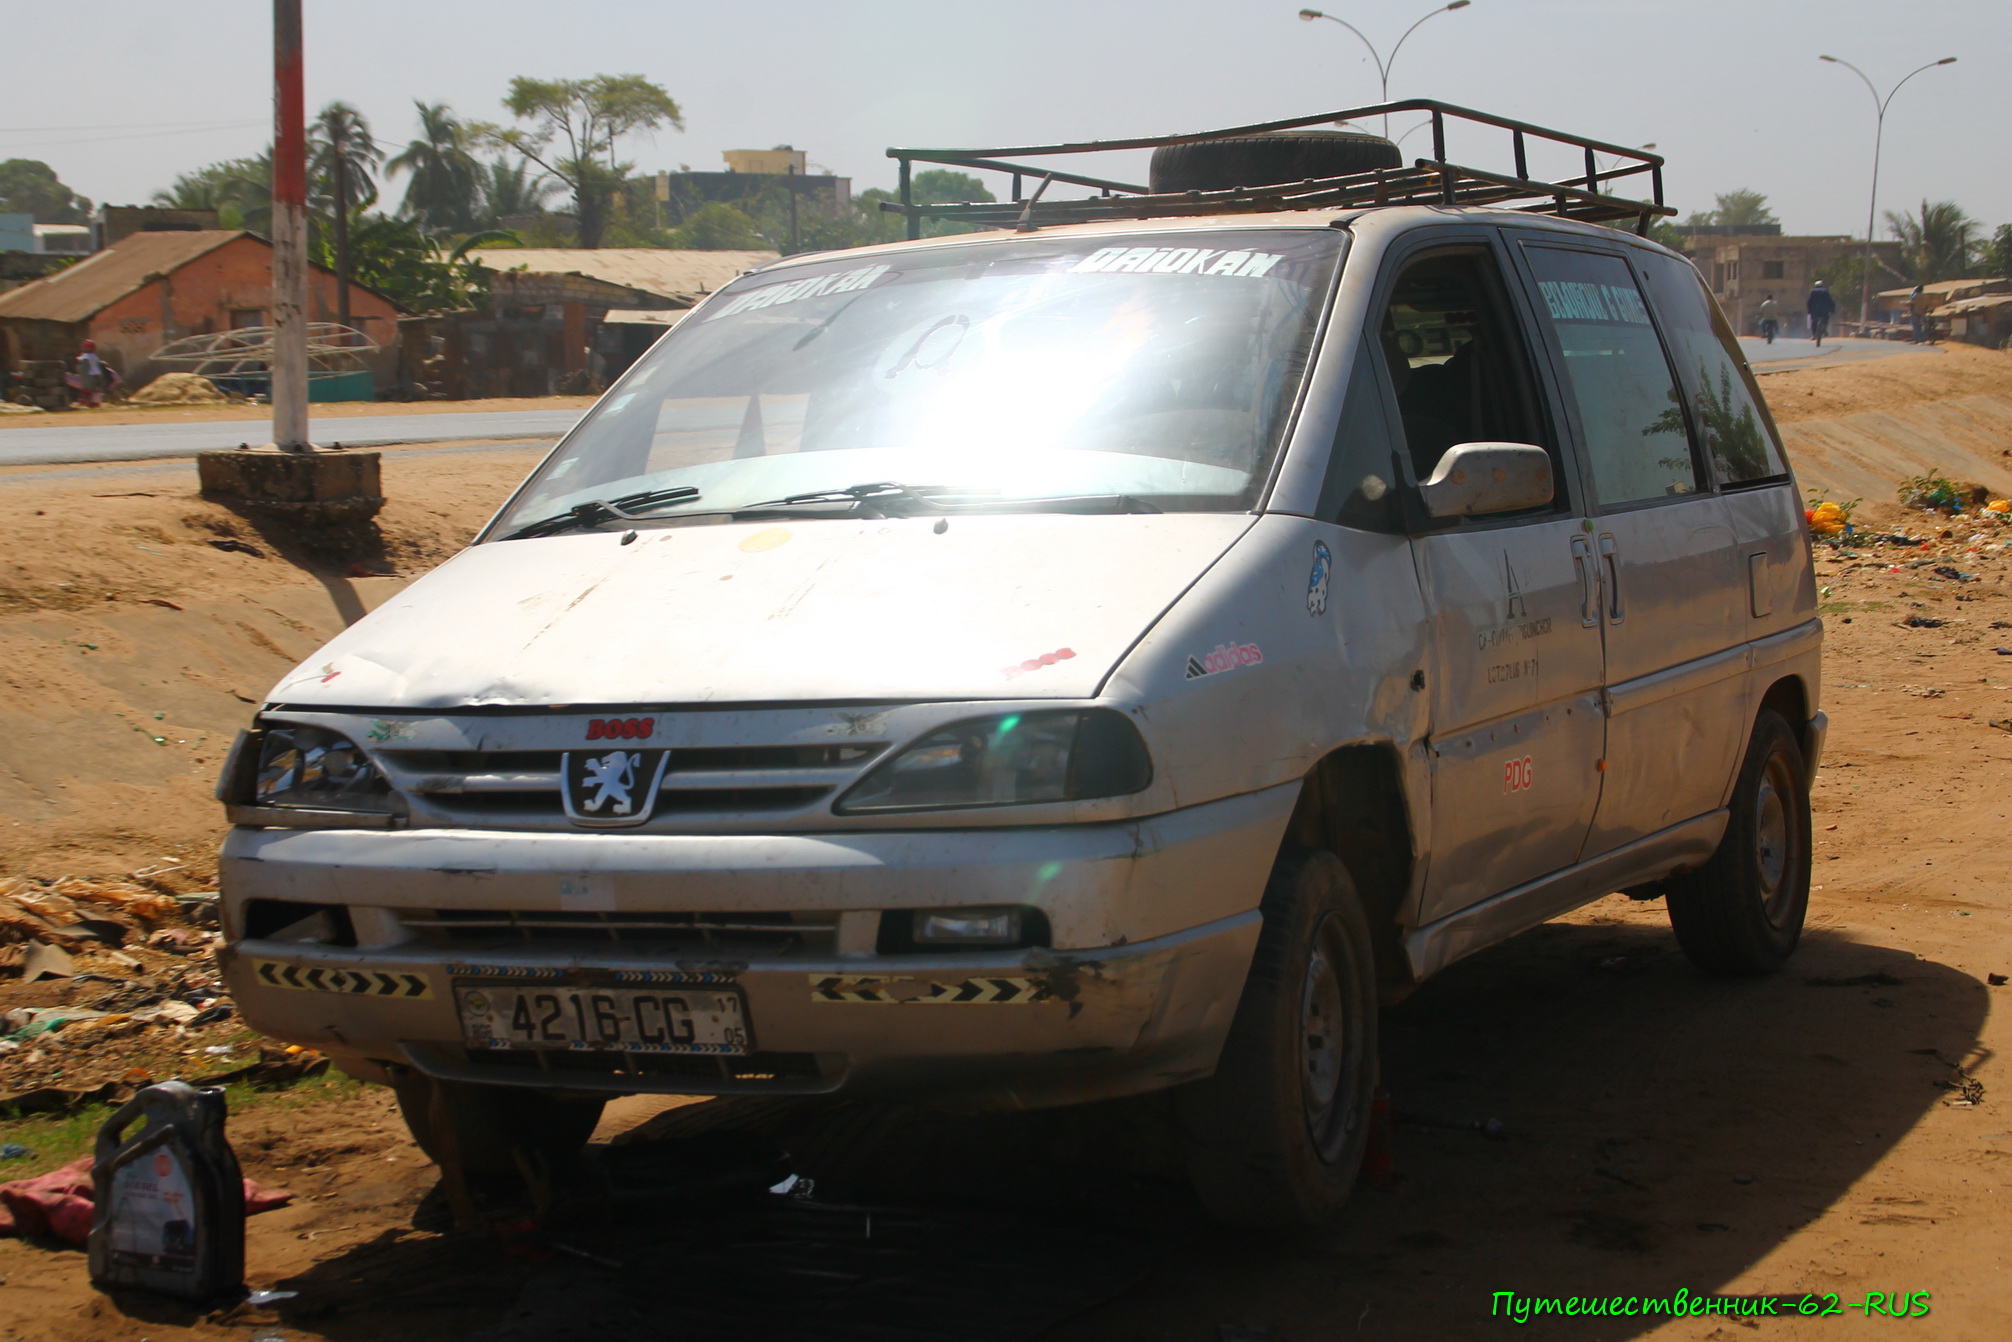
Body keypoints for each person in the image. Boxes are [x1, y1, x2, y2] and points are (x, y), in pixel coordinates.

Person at [71, 339, 110, 408]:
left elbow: (83, 371)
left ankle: (85, 402)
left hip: (88, 380)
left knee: (91, 390)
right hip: (93, 380)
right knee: (96, 390)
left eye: (84, 346)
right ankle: (93, 403)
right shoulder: (94, 357)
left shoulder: (86, 357)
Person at [1806, 279, 1836, 347]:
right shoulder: (1825, 291)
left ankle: (1814, 335)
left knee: (1813, 321)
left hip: (1815, 310)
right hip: (1824, 310)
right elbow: (1830, 301)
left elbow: (1809, 302)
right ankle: (1824, 329)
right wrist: (1832, 310)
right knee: (1826, 319)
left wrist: (1809, 310)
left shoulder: (1813, 291)